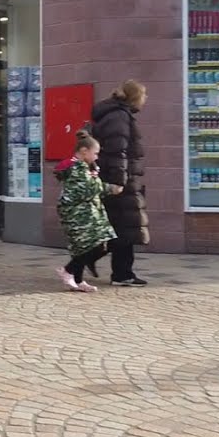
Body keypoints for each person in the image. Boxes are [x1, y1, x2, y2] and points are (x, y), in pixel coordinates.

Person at [90, 80, 150, 287]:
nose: (146, 99)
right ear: (135, 97)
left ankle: (120, 272)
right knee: (124, 228)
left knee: (119, 228)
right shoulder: (120, 116)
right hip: (120, 181)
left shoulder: (116, 114)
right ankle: (121, 273)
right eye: (144, 95)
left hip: (116, 178)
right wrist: (119, 181)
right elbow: (118, 150)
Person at [53, 131, 120, 293]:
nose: (97, 157)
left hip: (88, 213)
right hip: (79, 215)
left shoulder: (84, 167)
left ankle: (78, 279)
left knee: (86, 247)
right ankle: (68, 271)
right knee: (93, 246)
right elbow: (88, 188)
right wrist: (110, 188)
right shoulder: (77, 168)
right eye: (95, 153)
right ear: (84, 151)